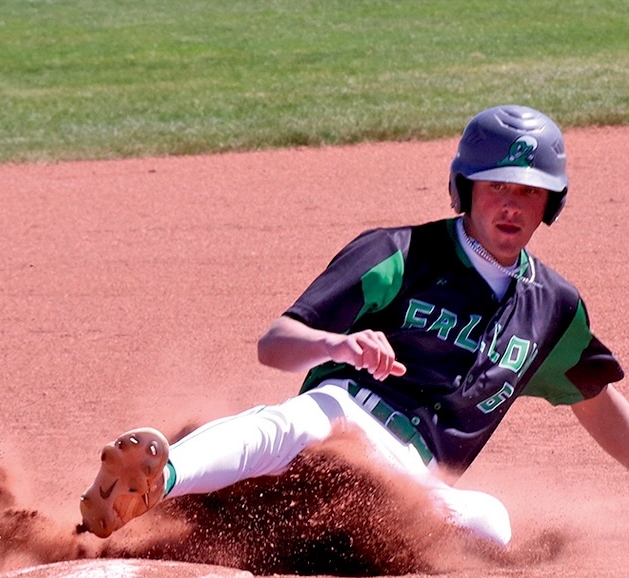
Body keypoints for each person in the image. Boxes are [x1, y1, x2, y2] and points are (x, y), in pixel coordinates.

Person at [78, 104, 629, 548]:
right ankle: (155, 481)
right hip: (347, 420)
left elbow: (599, 405)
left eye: (529, 191)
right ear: (466, 188)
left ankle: (312, 539)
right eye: (497, 187)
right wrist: (336, 343)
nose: (512, 205)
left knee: (491, 524)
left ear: (550, 203)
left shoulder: (553, 307)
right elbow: (276, 345)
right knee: (311, 416)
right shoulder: (399, 254)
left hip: (415, 484)